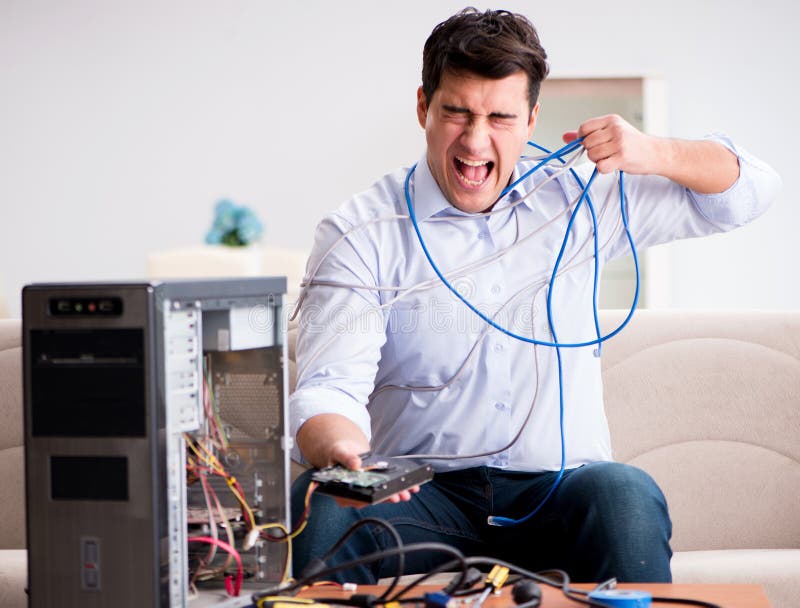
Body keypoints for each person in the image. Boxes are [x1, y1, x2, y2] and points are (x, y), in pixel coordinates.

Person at [288, 7, 781, 584]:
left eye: (500, 117)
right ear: (423, 106)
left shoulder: (579, 199)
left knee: (623, 492)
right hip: (421, 498)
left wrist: (654, 153)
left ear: (531, 119)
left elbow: (753, 191)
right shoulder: (361, 231)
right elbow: (328, 389)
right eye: (456, 112)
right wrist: (345, 451)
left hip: (557, 492)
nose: (475, 141)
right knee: (325, 503)